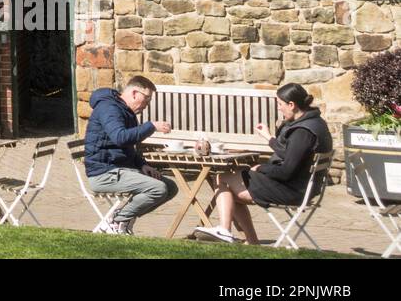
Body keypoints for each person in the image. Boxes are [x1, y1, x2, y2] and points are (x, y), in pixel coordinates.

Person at [194, 83, 333, 245]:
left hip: (293, 190)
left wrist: (261, 168)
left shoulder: (303, 132)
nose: (279, 108)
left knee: (221, 179)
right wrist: (269, 138)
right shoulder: (315, 123)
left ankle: (225, 231)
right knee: (231, 182)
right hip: (305, 186)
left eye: (280, 104)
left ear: (291, 105)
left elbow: (286, 171)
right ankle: (250, 240)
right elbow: (291, 155)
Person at [84, 75, 178, 235]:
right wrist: (151, 126)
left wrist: (142, 165)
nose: (147, 105)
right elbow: (120, 137)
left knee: (170, 187)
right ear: (134, 93)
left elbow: (128, 147)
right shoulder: (109, 108)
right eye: (146, 99)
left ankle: (123, 221)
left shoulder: (125, 112)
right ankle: (116, 221)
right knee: (157, 189)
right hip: (104, 173)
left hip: (120, 170)